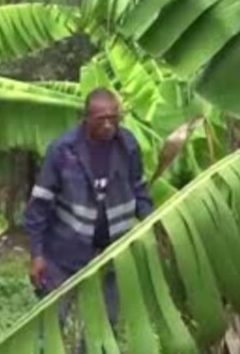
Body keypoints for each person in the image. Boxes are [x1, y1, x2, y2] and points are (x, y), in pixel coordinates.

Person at [24, 86, 154, 320]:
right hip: (64, 252)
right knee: (51, 324)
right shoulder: (63, 151)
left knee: (106, 328)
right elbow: (38, 206)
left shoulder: (128, 146)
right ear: (86, 119)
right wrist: (37, 254)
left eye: (113, 119)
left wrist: (153, 225)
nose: (108, 125)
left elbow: (140, 190)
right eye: (101, 120)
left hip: (113, 251)